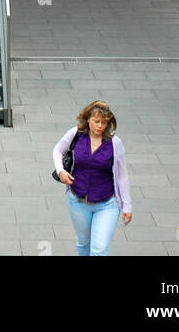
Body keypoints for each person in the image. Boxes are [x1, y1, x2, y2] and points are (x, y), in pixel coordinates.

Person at [53, 99, 132, 257]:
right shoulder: (75, 134)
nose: (99, 126)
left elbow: (122, 175)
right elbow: (57, 150)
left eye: (104, 123)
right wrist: (61, 171)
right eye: (96, 121)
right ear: (88, 119)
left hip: (107, 203)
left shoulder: (115, 143)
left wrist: (127, 205)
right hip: (78, 201)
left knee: (99, 250)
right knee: (84, 243)